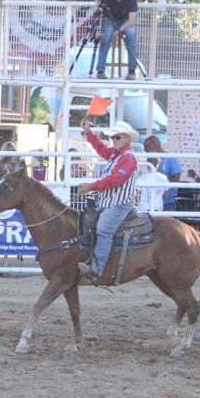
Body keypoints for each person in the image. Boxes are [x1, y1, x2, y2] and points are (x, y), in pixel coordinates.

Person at [77, 119, 139, 282]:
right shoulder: (115, 155)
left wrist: (92, 186)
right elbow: (101, 148)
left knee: (104, 228)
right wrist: (89, 133)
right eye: (113, 138)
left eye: (118, 137)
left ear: (127, 139)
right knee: (85, 222)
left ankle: (97, 269)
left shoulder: (128, 158)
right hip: (107, 202)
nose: (115, 140)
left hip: (120, 203)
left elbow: (116, 180)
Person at [95, 0, 139, 80]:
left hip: (126, 21)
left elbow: (132, 20)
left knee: (131, 35)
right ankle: (100, 71)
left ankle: (132, 71)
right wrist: (98, 29)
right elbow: (100, 11)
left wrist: (118, 31)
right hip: (110, 19)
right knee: (105, 37)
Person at [144, 135, 181, 211]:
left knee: (166, 222)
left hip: (167, 201)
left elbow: (176, 178)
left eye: (152, 143)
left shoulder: (170, 158)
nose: (147, 148)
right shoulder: (147, 159)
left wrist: (160, 186)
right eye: (147, 146)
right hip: (150, 201)